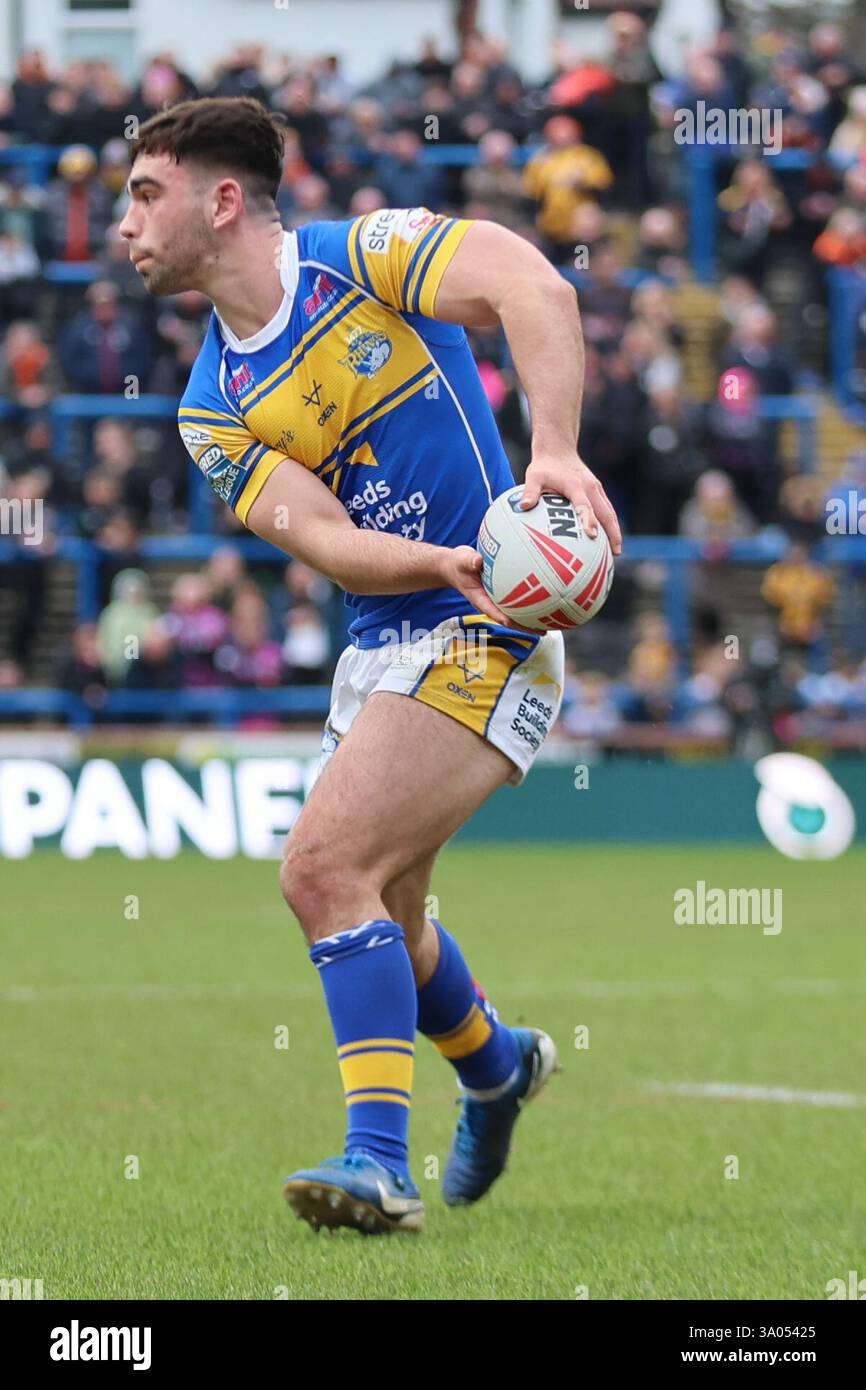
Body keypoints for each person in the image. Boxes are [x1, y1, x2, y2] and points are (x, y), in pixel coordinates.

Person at [119, 95, 620, 1236]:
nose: (125, 226)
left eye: (146, 195)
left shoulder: (366, 255)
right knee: (390, 908)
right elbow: (318, 534)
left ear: (223, 199)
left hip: (492, 624)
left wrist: (549, 451)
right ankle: (495, 1067)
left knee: (320, 868)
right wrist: (430, 557)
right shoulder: (211, 405)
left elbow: (531, 287)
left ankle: (376, 1163)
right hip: (396, 625)